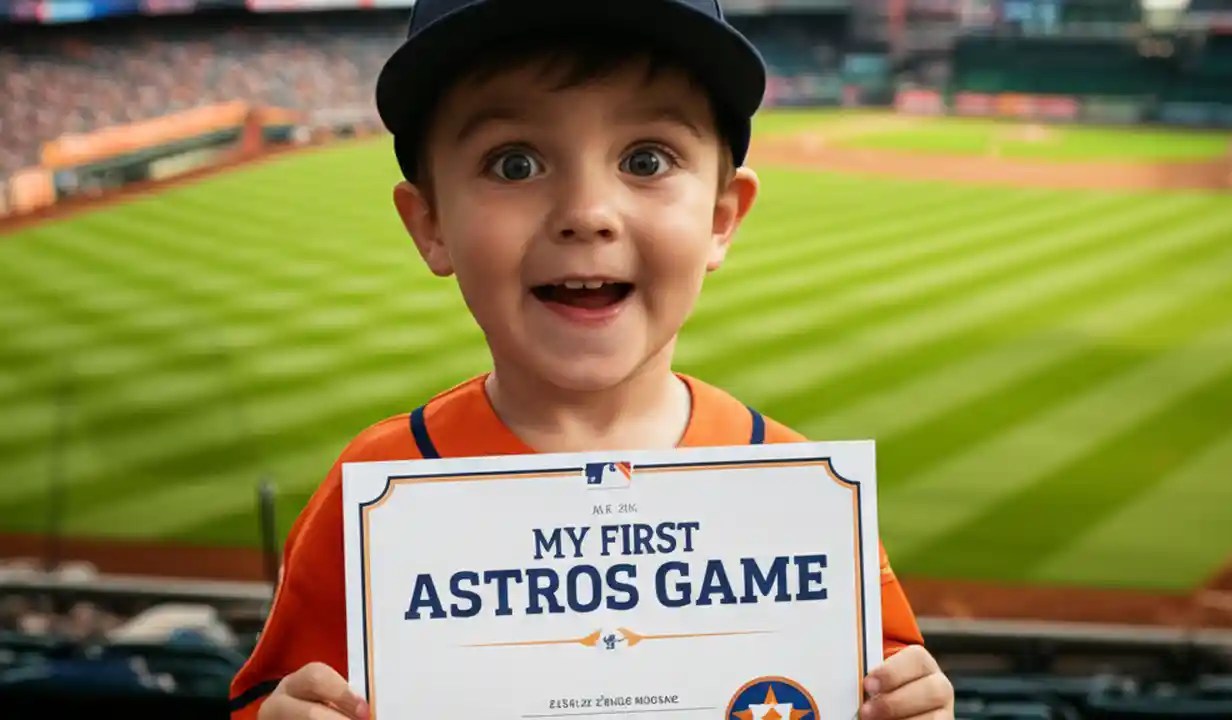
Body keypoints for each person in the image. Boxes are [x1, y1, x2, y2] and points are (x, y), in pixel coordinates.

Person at [229, 1, 954, 719]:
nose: (587, 210)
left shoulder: (798, 489)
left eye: (647, 160)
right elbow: (268, 695)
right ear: (431, 224)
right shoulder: (372, 490)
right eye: (514, 163)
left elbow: (882, 679)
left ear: (721, 220)